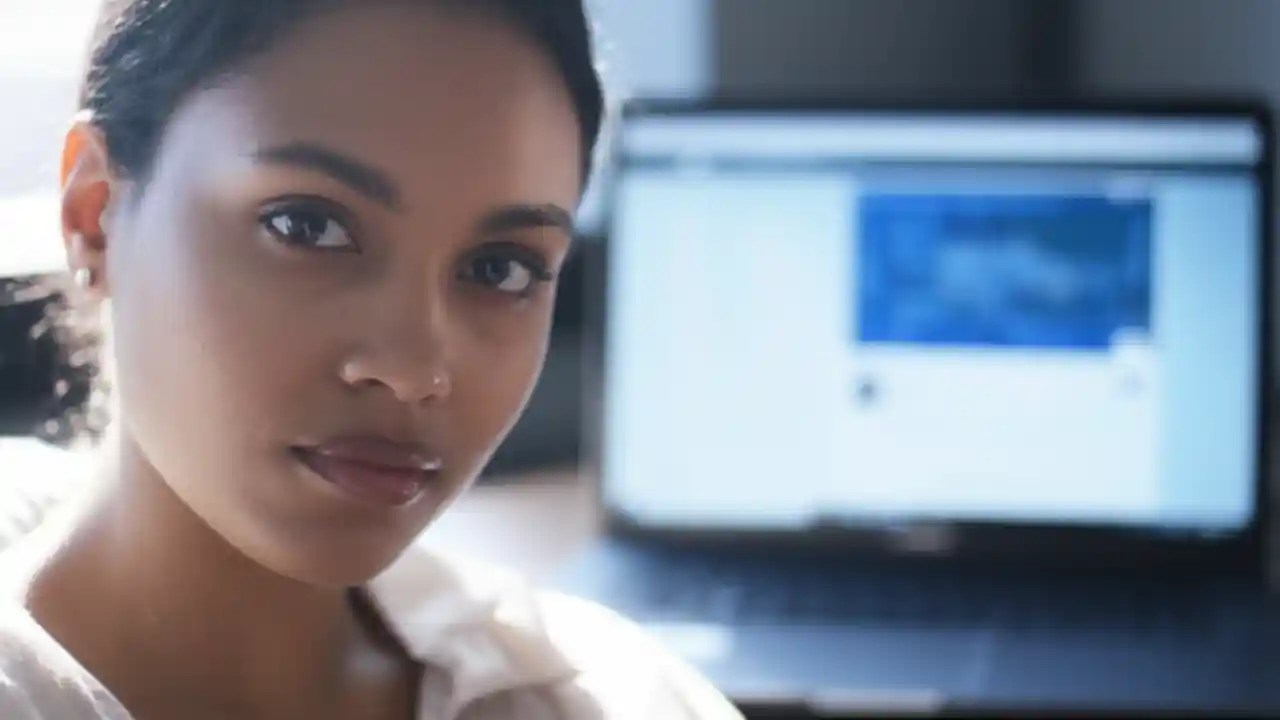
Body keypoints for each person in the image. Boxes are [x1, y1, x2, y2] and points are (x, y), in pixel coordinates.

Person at [0, 1, 743, 718]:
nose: (416, 369)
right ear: (94, 216)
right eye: (307, 226)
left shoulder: (615, 696)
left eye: (502, 269)